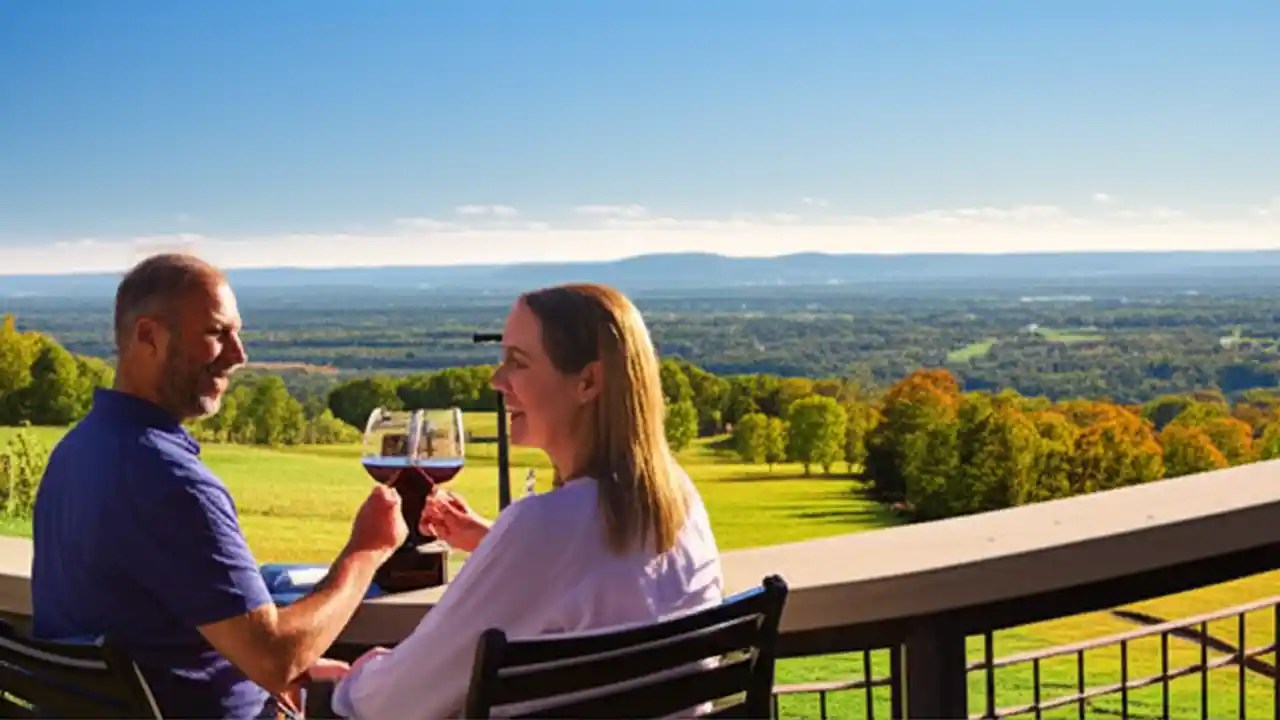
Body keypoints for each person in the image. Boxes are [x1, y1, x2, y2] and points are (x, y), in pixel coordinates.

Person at [31, 253, 409, 719]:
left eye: (238, 333)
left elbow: (147, 628)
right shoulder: (170, 481)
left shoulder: (76, 451)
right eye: (217, 334)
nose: (238, 355)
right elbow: (274, 658)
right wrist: (367, 550)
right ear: (148, 336)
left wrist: (264, 673)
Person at [328, 283, 724, 719]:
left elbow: (393, 705)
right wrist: (495, 543)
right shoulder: (680, 502)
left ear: (588, 381)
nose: (497, 381)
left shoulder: (546, 527)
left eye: (517, 362)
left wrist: (353, 681)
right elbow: (601, 580)